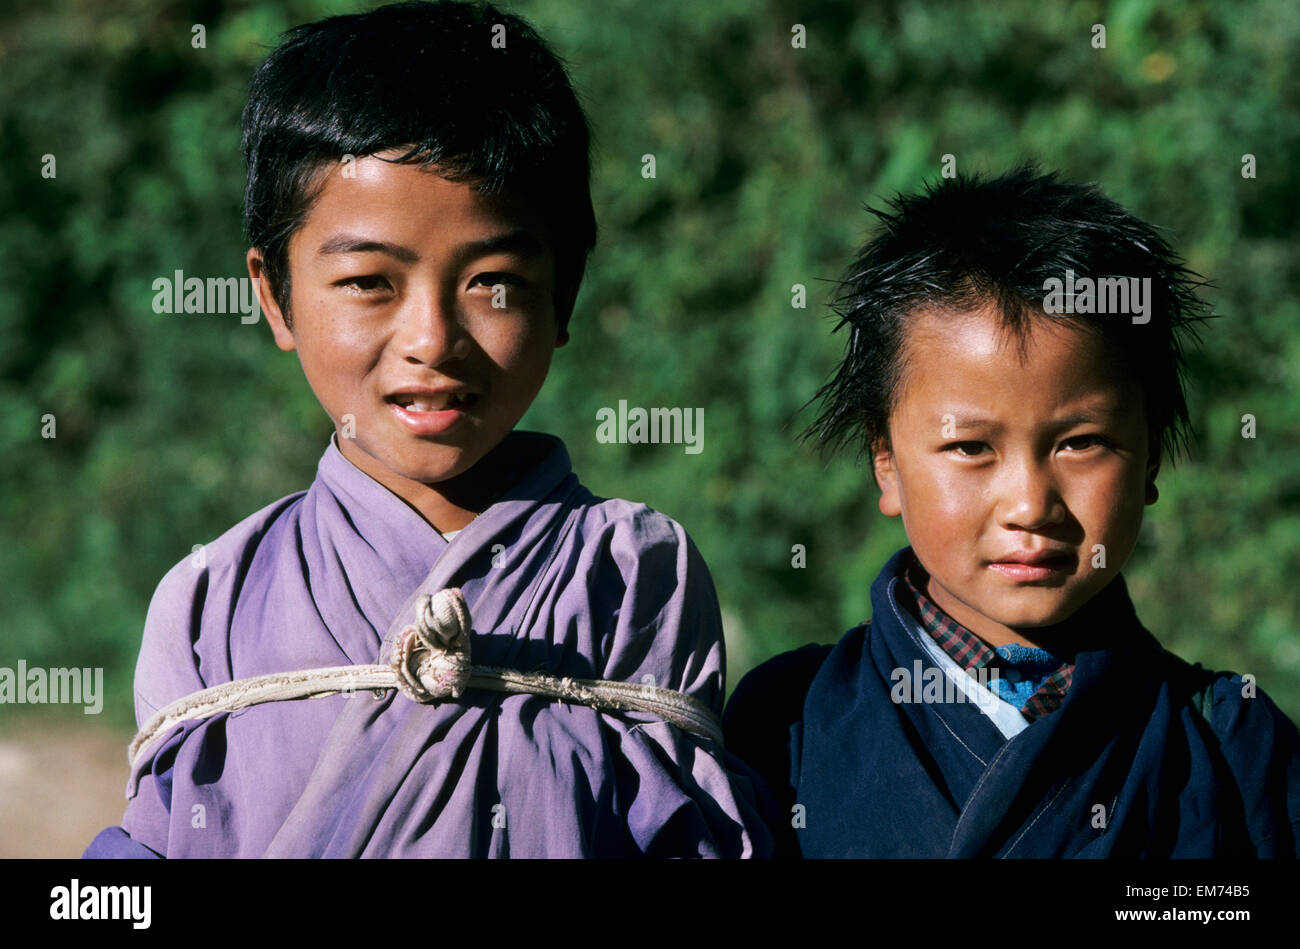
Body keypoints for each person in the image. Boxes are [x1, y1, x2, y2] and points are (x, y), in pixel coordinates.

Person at [84, 0, 773, 858]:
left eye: (494, 282)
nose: (432, 341)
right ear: (274, 294)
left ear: (566, 292)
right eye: (370, 281)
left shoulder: (632, 576)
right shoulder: (210, 600)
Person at [723, 165, 1300, 858]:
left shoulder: (1231, 742)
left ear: (1149, 456)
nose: (1030, 503)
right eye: (970, 446)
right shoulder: (789, 720)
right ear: (887, 462)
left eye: (1082, 442)